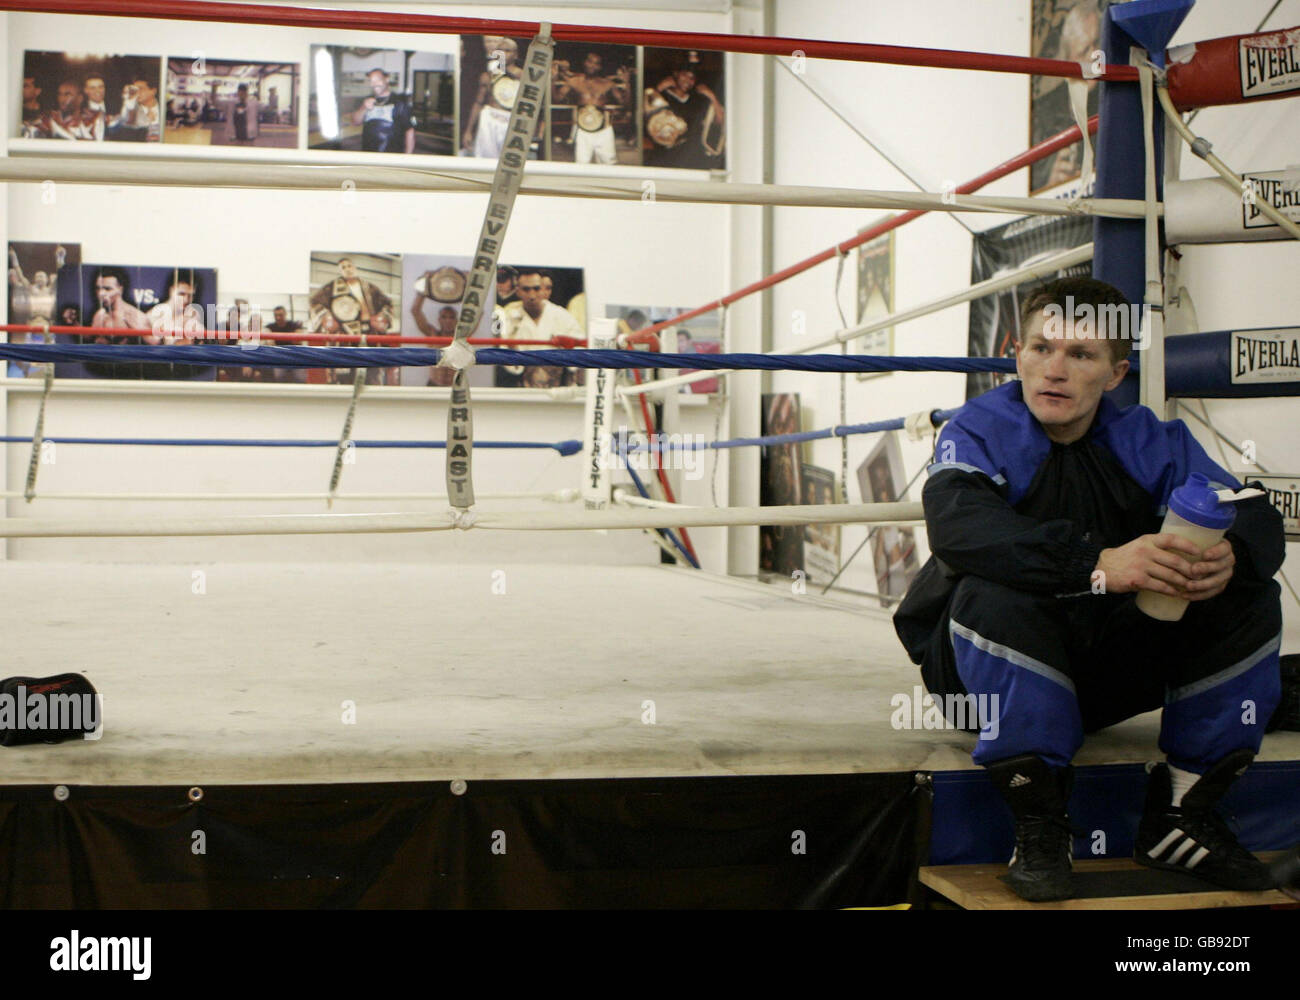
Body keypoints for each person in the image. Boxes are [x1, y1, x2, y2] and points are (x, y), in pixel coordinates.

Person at [893, 277, 1285, 902]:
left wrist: (1231, 556)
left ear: (1115, 372)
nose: (1055, 370)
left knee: (1249, 596)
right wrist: (1100, 563)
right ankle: (1039, 822)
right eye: (1042, 348)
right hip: (974, 671)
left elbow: (1254, 513)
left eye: (1081, 355)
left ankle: (1184, 816)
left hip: (1096, 669)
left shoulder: (1149, 439)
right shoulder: (979, 428)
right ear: (1015, 351)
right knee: (993, 592)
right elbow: (960, 530)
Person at [309, 257, 396, 385]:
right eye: (343, 267)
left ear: (354, 268)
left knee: (371, 377)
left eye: (349, 266)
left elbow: (388, 304)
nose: (347, 269)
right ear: (340, 272)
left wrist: (381, 319)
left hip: (369, 336)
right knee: (343, 380)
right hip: (344, 337)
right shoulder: (331, 288)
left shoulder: (369, 287)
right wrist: (327, 318)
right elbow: (314, 303)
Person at [499, 268, 582, 389]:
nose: (532, 295)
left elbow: (580, 347)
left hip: (559, 388)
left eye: (536, 289)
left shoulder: (562, 316)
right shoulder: (510, 319)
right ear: (518, 292)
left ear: (543, 290)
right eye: (526, 289)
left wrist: (565, 351)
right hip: (523, 389)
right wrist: (513, 352)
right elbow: (504, 358)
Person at [551, 51, 630, 165]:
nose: (592, 65)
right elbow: (556, 98)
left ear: (600, 66)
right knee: (581, 165)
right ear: (584, 62)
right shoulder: (574, 81)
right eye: (590, 61)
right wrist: (553, 79)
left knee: (609, 166)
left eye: (596, 63)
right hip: (583, 131)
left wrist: (627, 83)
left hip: (604, 131)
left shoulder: (607, 84)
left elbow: (625, 104)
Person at [644, 61, 725, 169]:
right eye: (685, 75)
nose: (688, 80)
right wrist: (659, 88)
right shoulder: (662, 96)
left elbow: (721, 121)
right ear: (676, 74)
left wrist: (711, 96)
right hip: (665, 157)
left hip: (692, 158)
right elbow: (645, 114)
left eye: (692, 78)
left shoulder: (698, 100)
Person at [463, 37, 522, 158]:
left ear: (515, 55)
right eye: (500, 50)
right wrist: (469, 130)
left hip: (513, 121)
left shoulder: (525, 77)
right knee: (486, 160)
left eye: (507, 50)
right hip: (489, 119)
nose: (503, 54)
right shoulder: (488, 76)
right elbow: (478, 103)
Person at [352, 69, 415, 154]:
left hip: (392, 156)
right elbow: (356, 122)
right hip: (368, 155)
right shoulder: (365, 100)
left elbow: (409, 131)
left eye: (378, 79)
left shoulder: (400, 102)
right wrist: (364, 107)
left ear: (386, 79)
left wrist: (408, 157)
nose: (374, 84)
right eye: (371, 81)